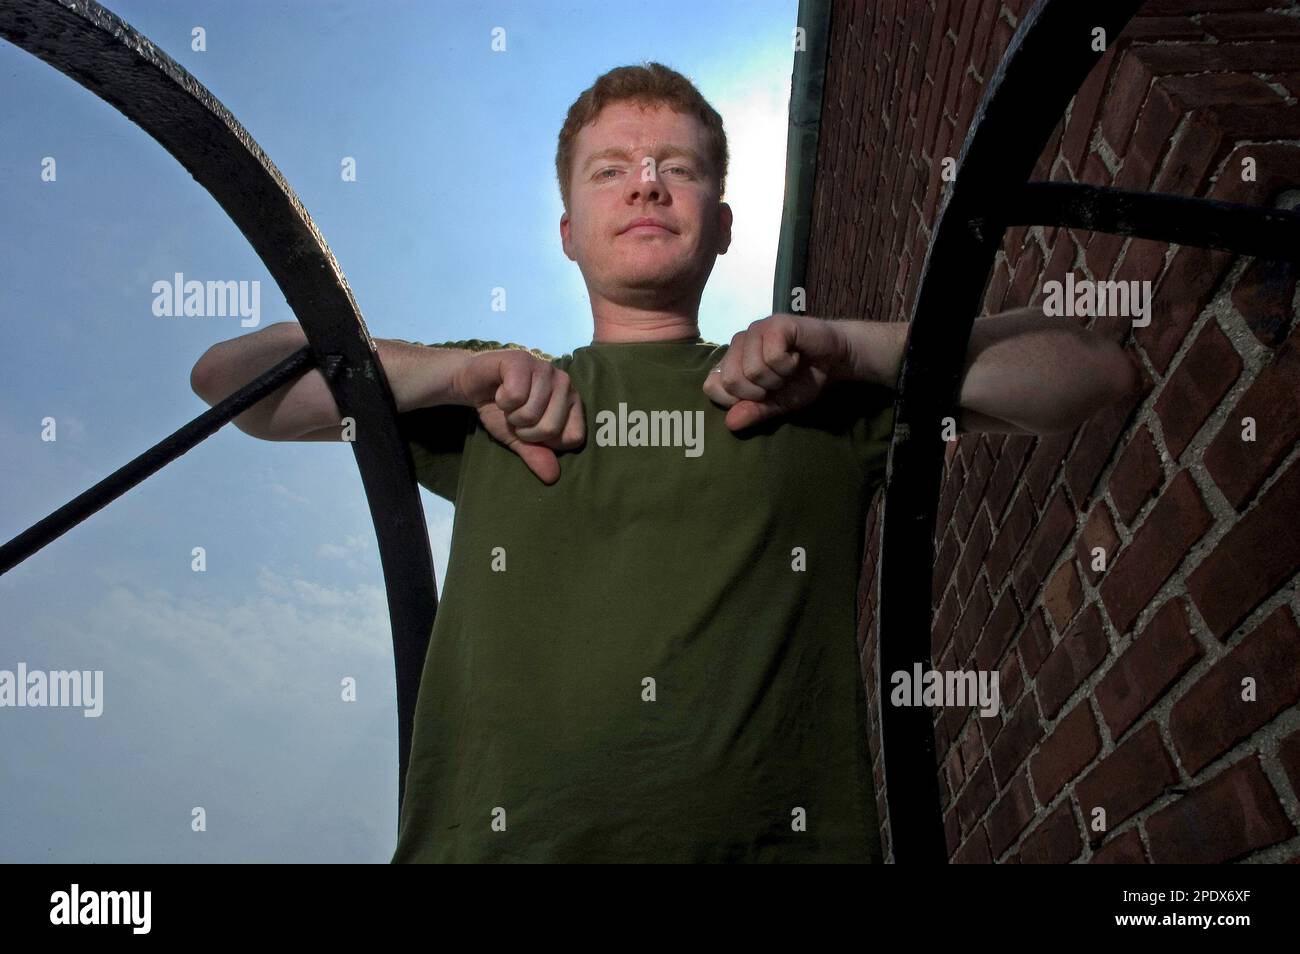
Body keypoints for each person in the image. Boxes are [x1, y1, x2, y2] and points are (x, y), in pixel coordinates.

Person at [190, 62, 1138, 863]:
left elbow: (1092, 368)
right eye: (611, 171)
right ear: (568, 231)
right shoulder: (497, 402)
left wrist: (854, 348)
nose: (645, 186)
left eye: (675, 168)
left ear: (722, 225)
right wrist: (456, 372)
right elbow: (237, 383)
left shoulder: (802, 387)